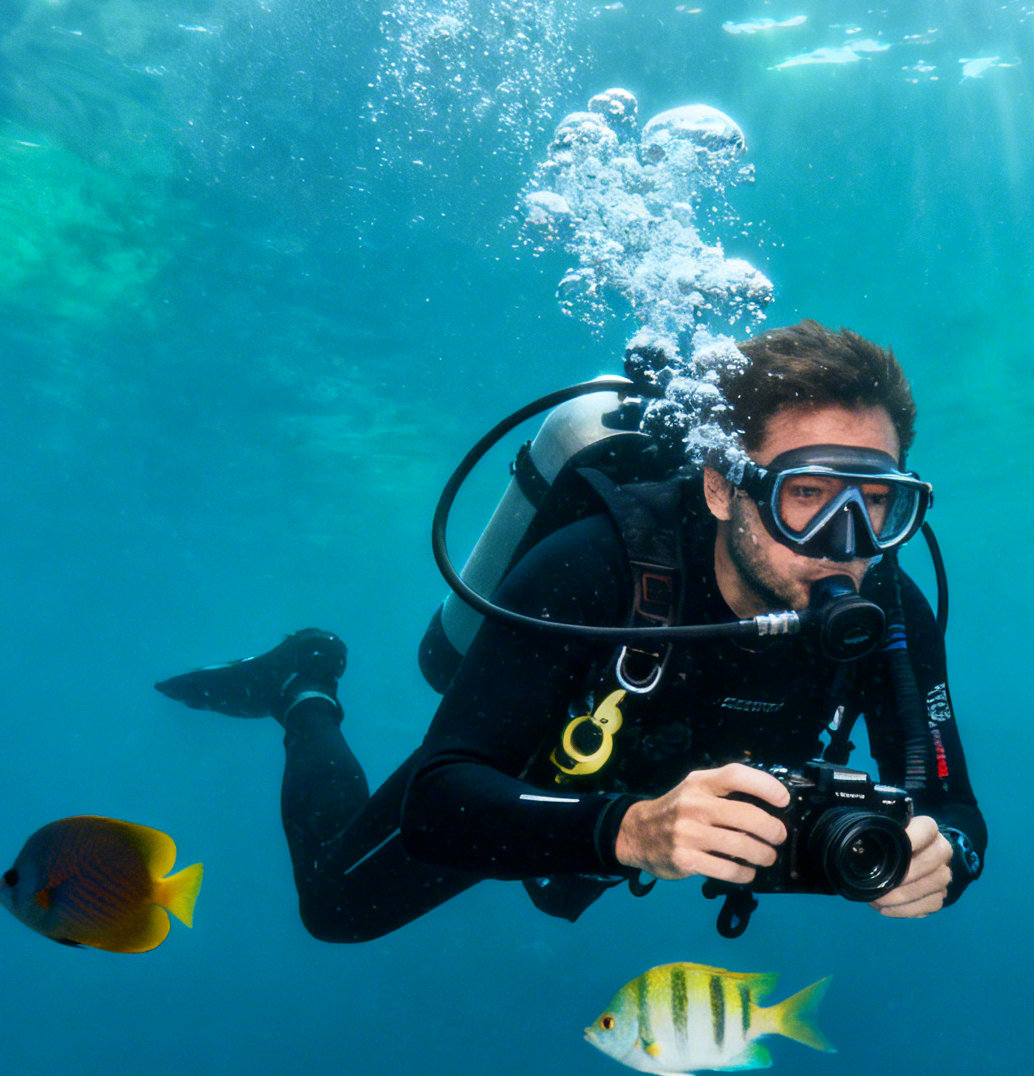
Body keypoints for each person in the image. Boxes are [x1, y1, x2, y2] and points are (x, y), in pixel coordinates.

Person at [156, 320, 986, 942]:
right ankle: (304, 682)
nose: (848, 541)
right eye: (807, 495)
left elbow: (958, 815)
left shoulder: (891, 614)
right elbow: (443, 799)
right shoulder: (594, 567)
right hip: (531, 764)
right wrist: (627, 831)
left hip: (637, 806)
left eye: (876, 503)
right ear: (723, 489)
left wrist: (937, 861)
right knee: (335, 911)